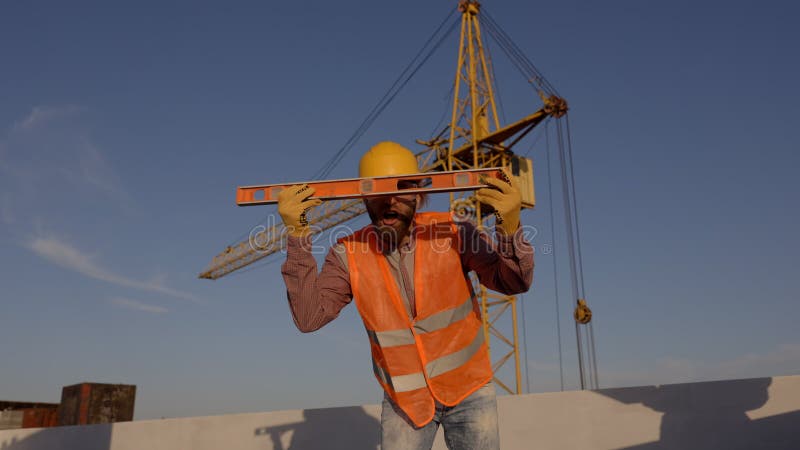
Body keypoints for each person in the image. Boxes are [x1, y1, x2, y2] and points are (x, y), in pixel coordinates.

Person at [278, 141, 534, 450]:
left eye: (401, 189)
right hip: (405, 402)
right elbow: (309, 317)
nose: (390, 201)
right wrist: (297, 236)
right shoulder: (347, 253)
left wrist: (509, 226)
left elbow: (512, 282)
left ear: (418, 194)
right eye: (378, 191)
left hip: (470, 389)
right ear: (363, 197)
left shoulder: (453, 230)